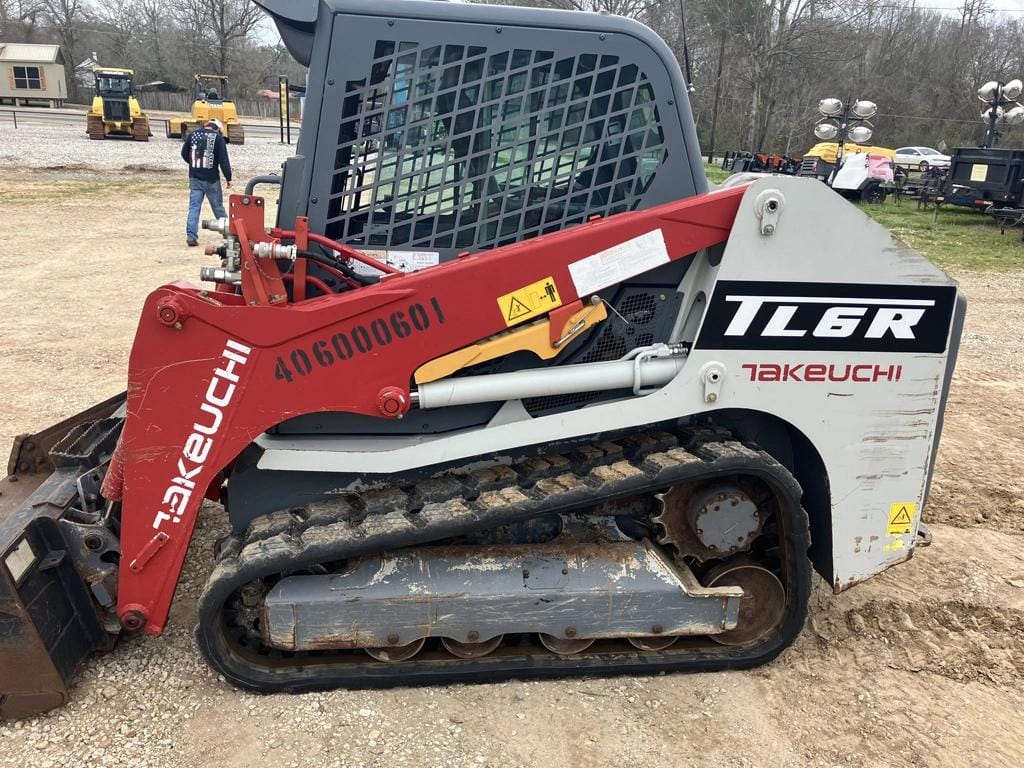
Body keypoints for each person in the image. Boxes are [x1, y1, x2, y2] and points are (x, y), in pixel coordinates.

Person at [182, 118, 232, 246]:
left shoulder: (193, 135)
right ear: (218, 129)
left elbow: (184, 153)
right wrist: (228, 178)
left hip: (195, 177)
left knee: (194, 207)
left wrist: (193, 164)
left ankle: (191, 236)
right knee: (218, 207)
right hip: (211, 179)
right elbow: (223, 160)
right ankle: (228, 233)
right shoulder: (218, 139)